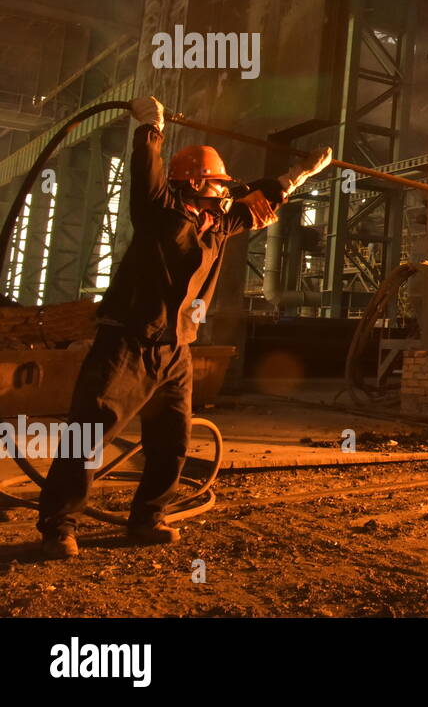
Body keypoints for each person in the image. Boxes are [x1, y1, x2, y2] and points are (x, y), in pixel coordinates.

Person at [37, 96, 332, 559]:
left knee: (171, 439)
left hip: (175, 349)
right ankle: (58, 527)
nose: (225, 190)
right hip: (127, 343)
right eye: (217, 183)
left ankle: (147, 518)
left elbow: (256, 200)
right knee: (90, 434)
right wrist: (149, 127)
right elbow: (147, 176)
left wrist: (301, 174)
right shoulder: (157, 211)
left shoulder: (215, 224)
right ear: (196, 183)